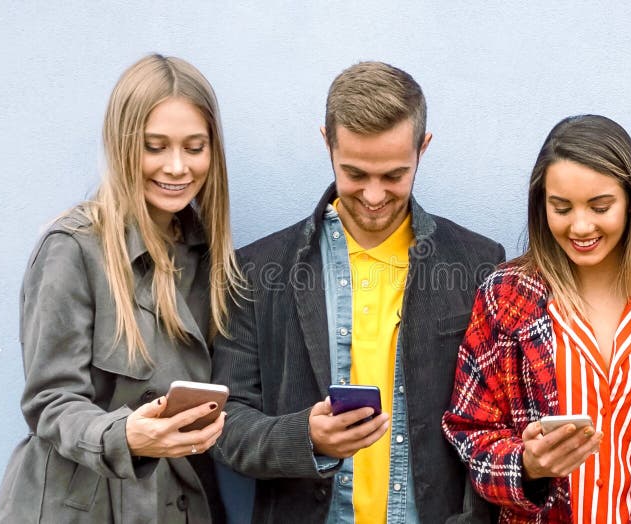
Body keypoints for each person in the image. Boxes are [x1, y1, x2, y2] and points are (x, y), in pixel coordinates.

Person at [211, 61, 505, 523]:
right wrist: (305, 437)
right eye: (355, 174)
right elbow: (226, 422)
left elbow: (494, 423)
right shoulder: (257, 269)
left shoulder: (478, 263)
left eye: (393, 175)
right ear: (326, 142)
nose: (372, 195)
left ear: (422, 149)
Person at [0, 54, 242, 523]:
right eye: (155, 146)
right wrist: (125, 435)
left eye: (194, 147)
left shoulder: (208, 257)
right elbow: (50, 402)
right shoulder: (72, 248)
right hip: (76, 507)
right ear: (123, 144)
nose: (176, 166)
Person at [442, 114, 631, 522]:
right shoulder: (507, 296)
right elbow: (469, 430)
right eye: (561, 208)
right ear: (542, 205)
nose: (580, 226)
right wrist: (527, 466)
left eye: (600, 207)